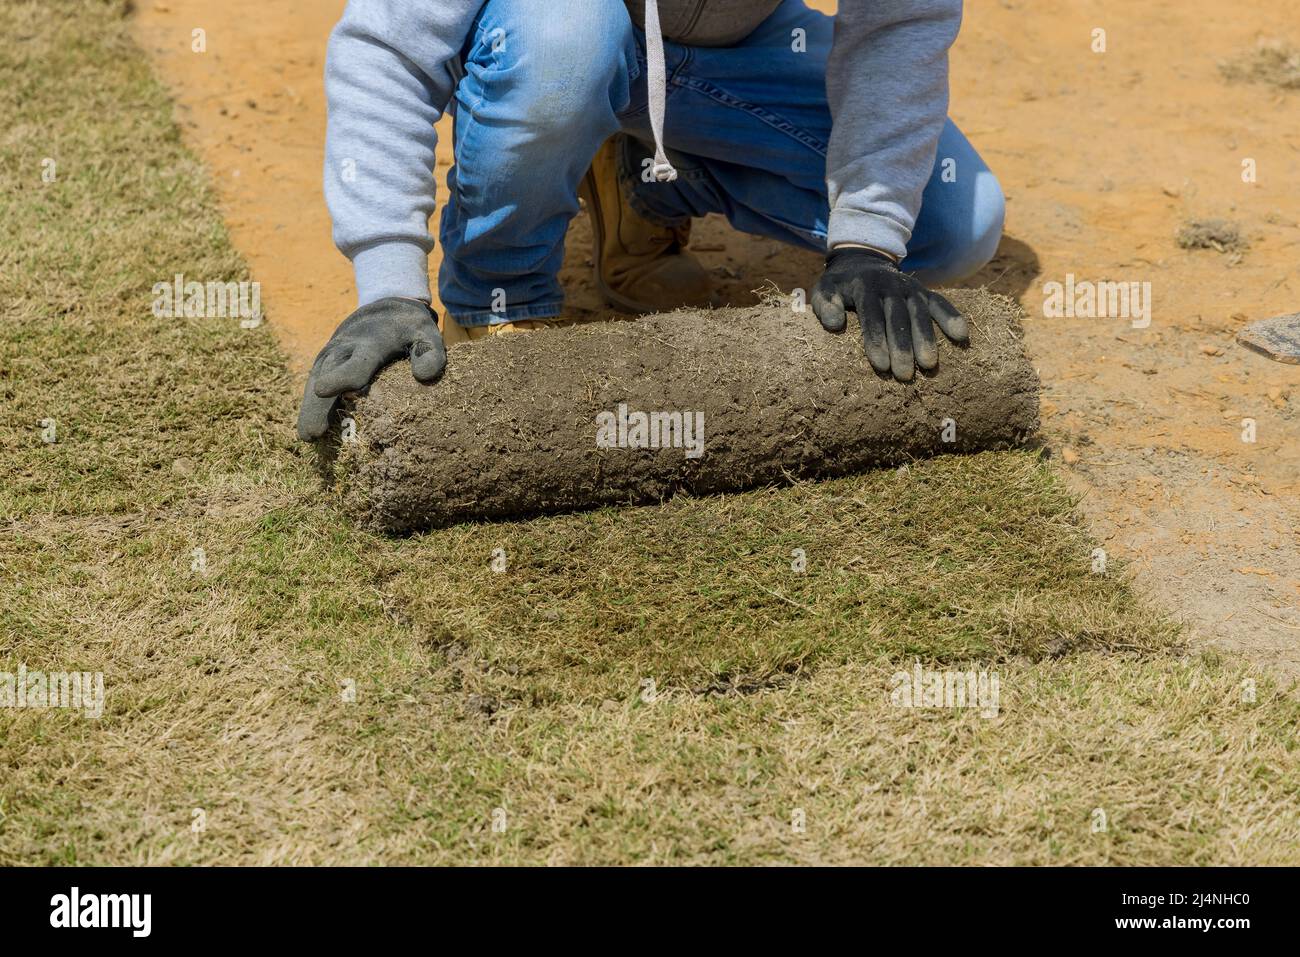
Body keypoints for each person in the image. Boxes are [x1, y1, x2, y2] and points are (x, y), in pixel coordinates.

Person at [298, 0, 1004, 441]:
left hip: (728, 61)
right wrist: (389, 280)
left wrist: (868, 241)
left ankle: (641, 185)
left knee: (952, 221)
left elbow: (901, 22)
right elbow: (388, 47)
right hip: (553, 40)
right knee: (567, 42)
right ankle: (496, 293)